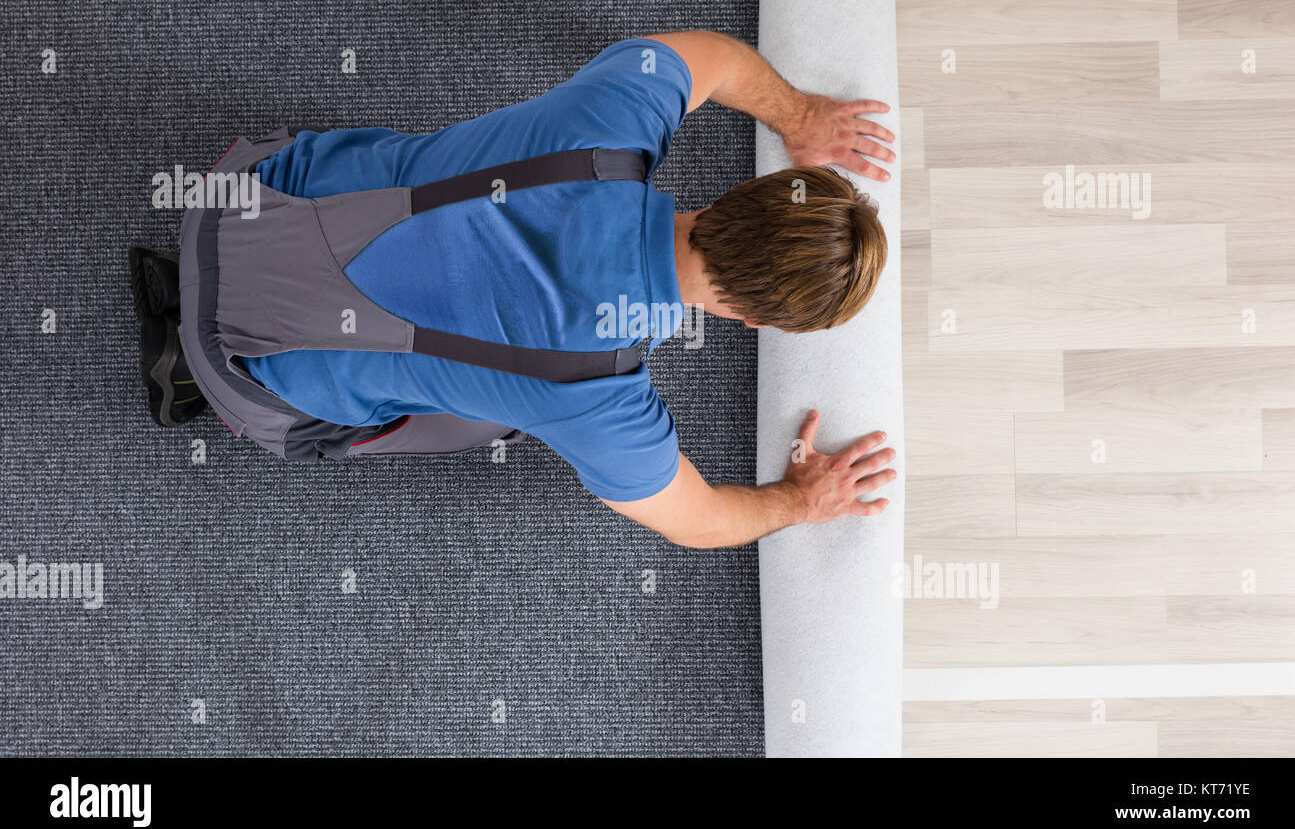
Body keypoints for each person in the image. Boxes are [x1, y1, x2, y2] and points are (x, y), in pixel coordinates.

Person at [132, 31, 899, 548]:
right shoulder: (600, 402)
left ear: (743, 193)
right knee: (488, 420)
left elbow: (721, 62)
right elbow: (696, 520)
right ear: (749, 321)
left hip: (229, 199)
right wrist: (802, 502)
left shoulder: (616, 118)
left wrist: (801, 114)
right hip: (237, 376)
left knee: (402, 177)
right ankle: (184, 375)